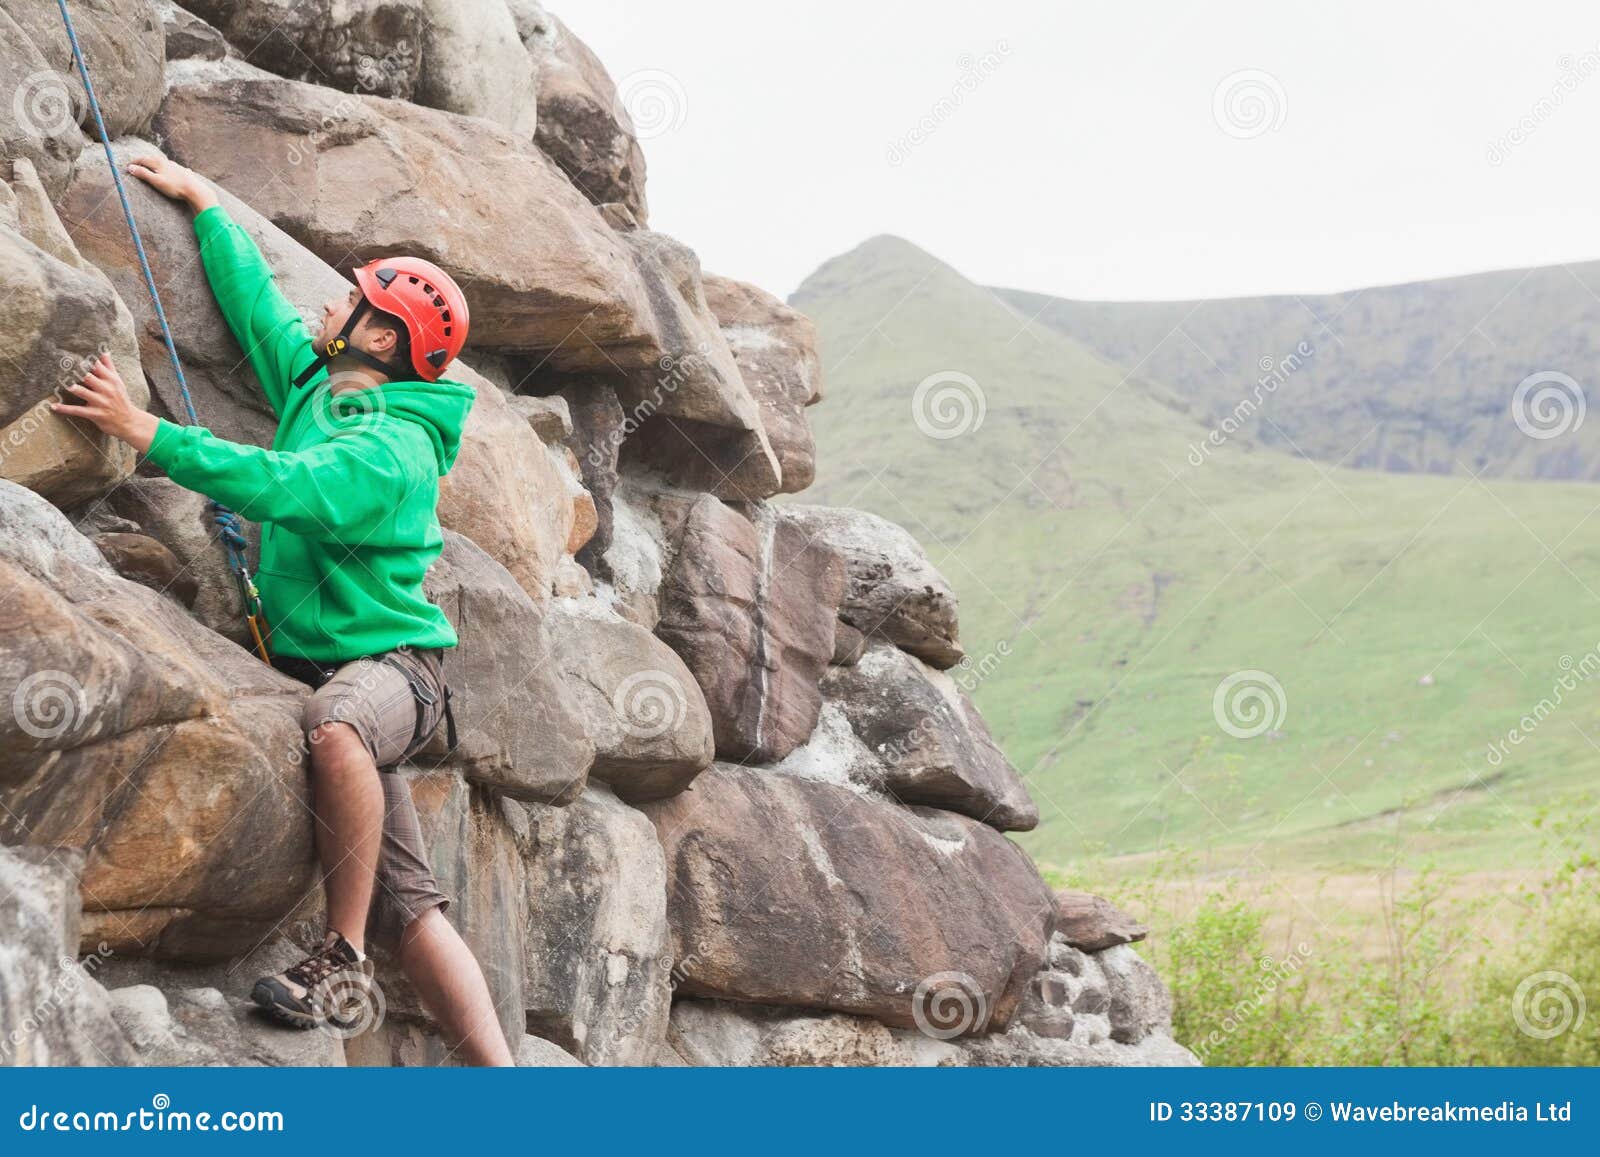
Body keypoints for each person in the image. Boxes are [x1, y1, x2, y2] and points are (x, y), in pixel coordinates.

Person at [55, 155, 513, 1066]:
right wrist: (209, 209)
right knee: (410, 911)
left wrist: (147, 432)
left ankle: (337, 954)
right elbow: (260, 314)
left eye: (350, 300)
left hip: (394, 674)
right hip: (333, 666)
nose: (329, 303)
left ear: (379, 340)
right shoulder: (321, 387)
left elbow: (282, 483)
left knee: (337, 726)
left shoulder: (392, 452)